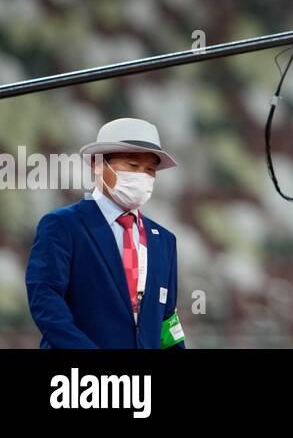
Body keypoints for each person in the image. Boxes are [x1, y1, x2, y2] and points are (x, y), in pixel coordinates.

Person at [26, 117, 186, 349]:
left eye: (150, 170)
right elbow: (45, 300)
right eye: (132, 166)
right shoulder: (62, 225)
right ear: (97, 164)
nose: (143, 176)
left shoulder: (164, 240)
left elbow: (167, 319)